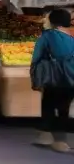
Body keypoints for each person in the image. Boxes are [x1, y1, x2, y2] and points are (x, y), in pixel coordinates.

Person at [31, 8, 74, 153]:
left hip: (54, 77)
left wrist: (35, 75)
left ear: (52, 21)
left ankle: (48, 138)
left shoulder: (47, 36)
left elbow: (37, 56)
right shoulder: (71, 37)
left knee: (48, 105)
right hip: (70, 78)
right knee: (64, 108)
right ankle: (62, 141)